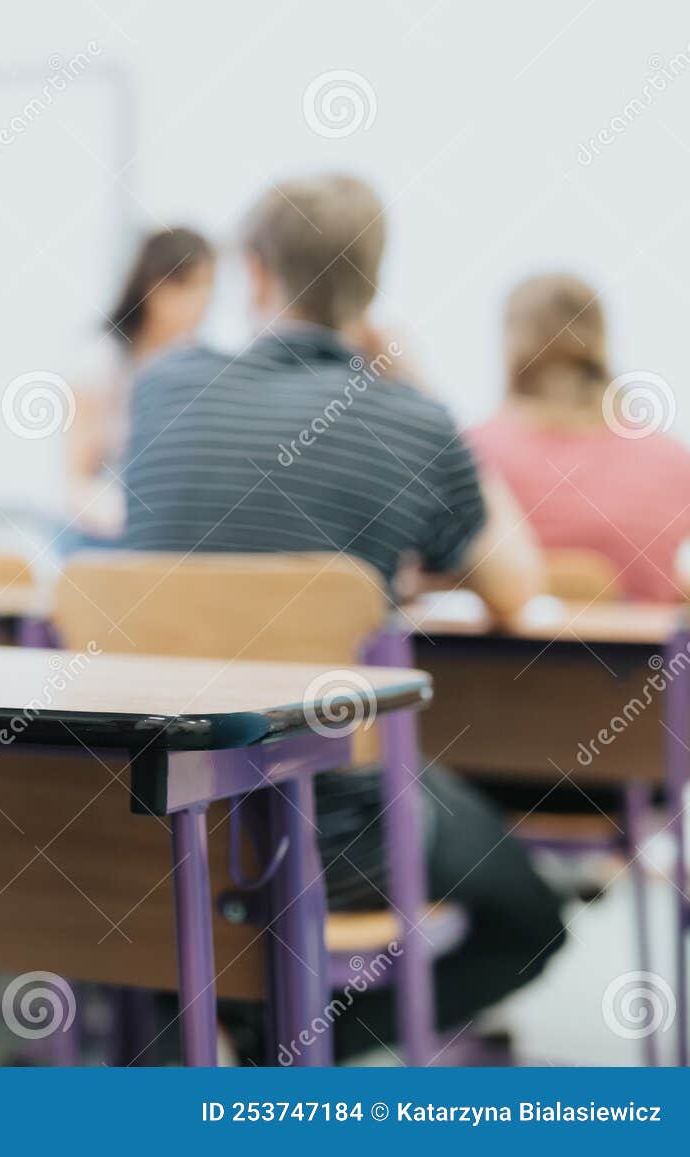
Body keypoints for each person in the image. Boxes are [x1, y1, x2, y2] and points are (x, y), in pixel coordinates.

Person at [113, 173, 565, 1058]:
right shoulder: (410, 417)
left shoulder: (163, 390)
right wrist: (421, 387)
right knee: (532, 921)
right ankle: (294, 1048)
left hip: (159, 822)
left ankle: (234, 1036)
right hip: (340, 832)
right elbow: (519, 587)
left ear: (252, 274)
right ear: (372, 288)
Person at [470, 273, 690, 601]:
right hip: (646, 653)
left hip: (481, 653)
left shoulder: (471, 454)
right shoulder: (675, 461)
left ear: (511, 347)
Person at [67, 227, 215, 540]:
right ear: (153, 287)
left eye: (209, 286)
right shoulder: (101, 359)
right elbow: (76, 480)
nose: (203, 302)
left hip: (171, 525)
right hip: (103, 527)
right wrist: (129, 518)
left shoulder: (200, 363)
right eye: (190, 286)